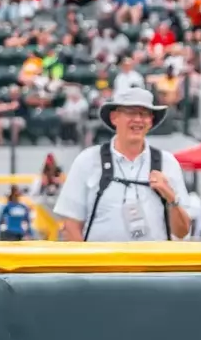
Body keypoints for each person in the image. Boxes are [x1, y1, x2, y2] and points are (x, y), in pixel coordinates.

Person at [54, 88, 193, 242]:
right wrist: (88, 265)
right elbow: (71, 226)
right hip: (102, 265)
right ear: (114, 117)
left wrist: (170, 197)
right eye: (131, 112)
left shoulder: (167, 162)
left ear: (151, 120)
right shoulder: (87, 160)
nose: (138, 119)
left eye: (144, 114)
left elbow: (182, 232)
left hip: (152, 265)